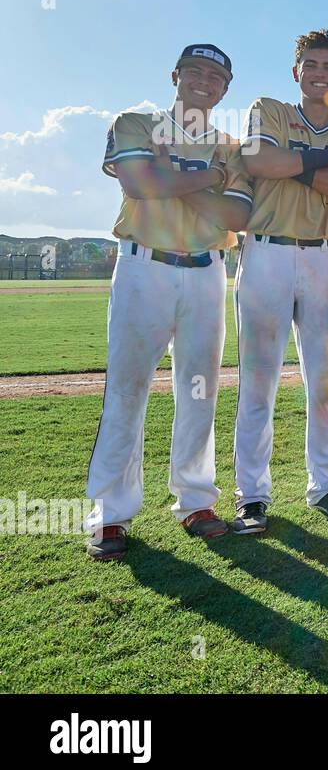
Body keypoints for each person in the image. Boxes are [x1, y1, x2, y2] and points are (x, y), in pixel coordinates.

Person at [86, 44, 252, 560]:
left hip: (206, 270)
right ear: (175, 75)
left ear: (226, 88)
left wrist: (172, 181)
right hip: (144, 264)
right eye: (196, 71)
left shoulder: (230, 144)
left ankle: (196, 501)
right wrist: (207, 179)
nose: (206, 81)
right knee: (129, 388)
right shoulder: (136, 121)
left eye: (216, 76)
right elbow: (139, 183)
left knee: (200, 388)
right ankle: (110, 516)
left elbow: (237, 217)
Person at [232, 30, 328, 535]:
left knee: (325, 379)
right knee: (258, 378)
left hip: (322, 255)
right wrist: (319, 159)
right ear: (297, 72)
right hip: (267, 249)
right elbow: (256, 161)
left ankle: (325, 485)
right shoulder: (270, 110)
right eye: (311, 65)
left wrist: (288, 164)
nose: (320, 73)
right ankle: (251, 495)